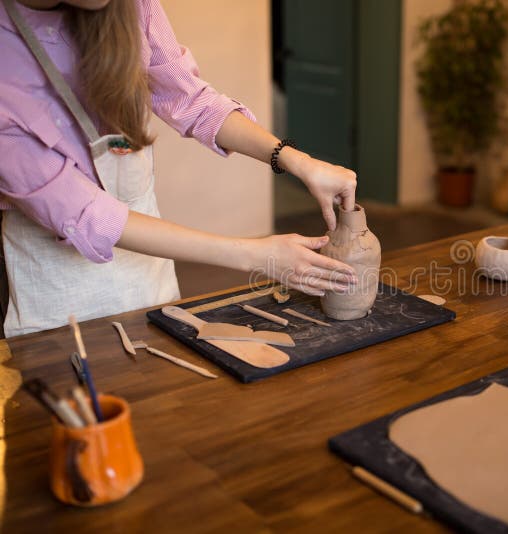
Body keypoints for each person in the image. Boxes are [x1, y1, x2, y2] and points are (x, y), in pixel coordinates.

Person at [0, 0, 358, 337]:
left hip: (147, 269)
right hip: (56, 286)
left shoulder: (130, 6)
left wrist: (299, 162)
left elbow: (191, 100)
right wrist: (253, 254)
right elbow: (89, 215)